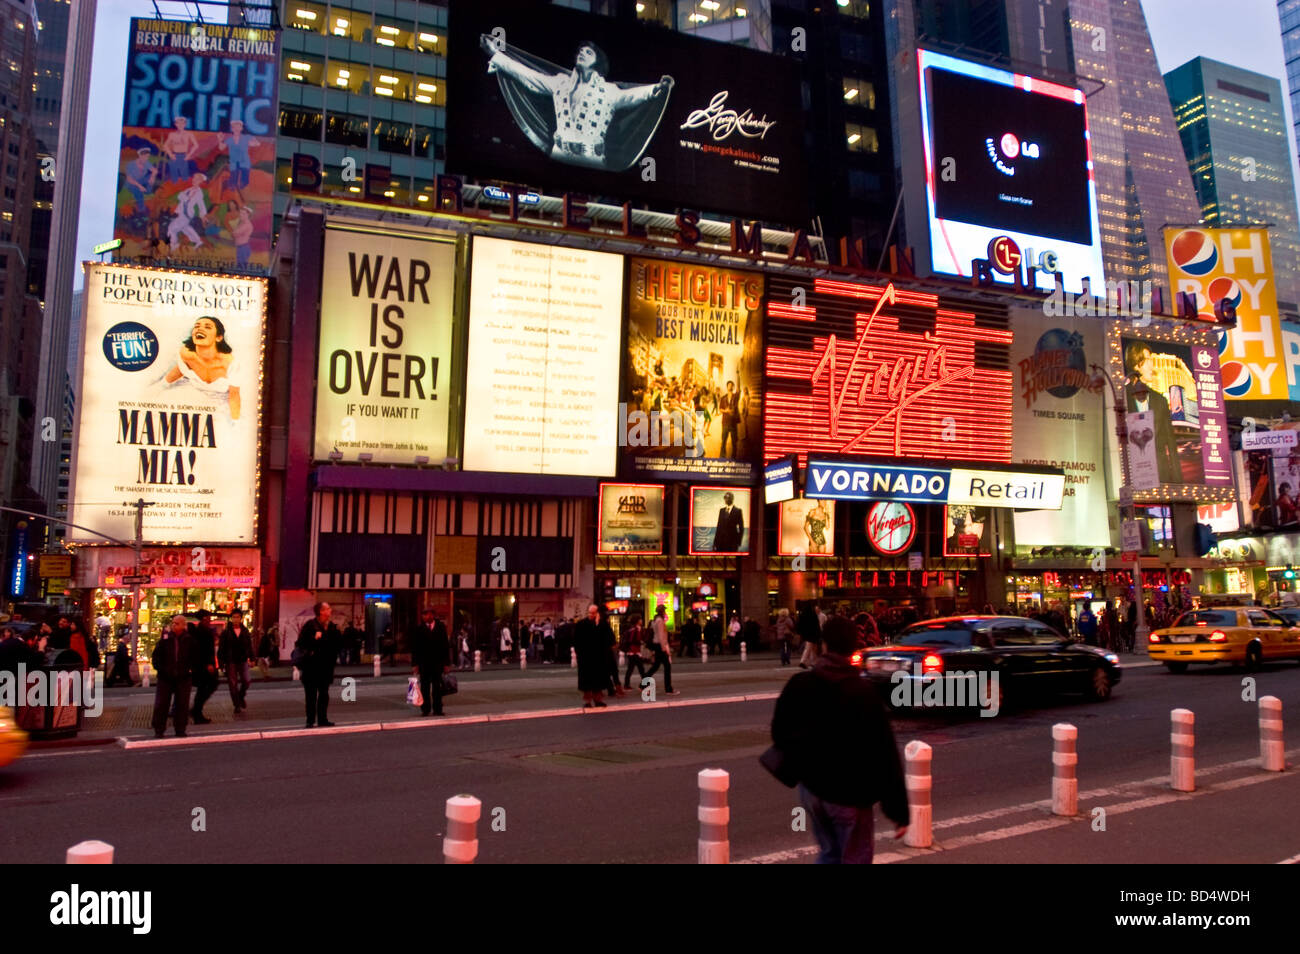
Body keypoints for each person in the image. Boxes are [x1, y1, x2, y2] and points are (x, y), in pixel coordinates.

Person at [769, 616, 909, 864]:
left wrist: (802, 763)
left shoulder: (800, 684)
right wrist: (897, 810)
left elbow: (779, 731)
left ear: (824, 645)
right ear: (853, 648)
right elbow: (885, 754)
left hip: (812, 790)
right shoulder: (863, 693)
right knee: (854, 856)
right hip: (849, 793)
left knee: (829, 852)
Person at [480, 35, 673, 171]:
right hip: (557, 155)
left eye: (588, 52)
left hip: (593, 161)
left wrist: (657, 88)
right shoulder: (560, 82)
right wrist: (495, 55)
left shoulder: (609, 91)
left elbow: (633, 96)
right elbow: (528, 75)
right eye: (581, 51)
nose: (582, 53)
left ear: (598, 61)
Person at [159, 315, 241, 422]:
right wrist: (160, 386)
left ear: (219, 337)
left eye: (207, 327)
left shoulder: (231, 363)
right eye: (197, 326)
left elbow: (234, 395)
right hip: (192, 402)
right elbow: (180, 369)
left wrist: (235, 422)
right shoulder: (186, 354)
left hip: (223, 408)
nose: (200, 328)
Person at [1125, 343, 1179, 484]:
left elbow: (1171, 443)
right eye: (1148, 360)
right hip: (1132, 475)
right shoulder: (1122, 398)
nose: (1152, 366)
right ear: (1136, 364)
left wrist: (1178, 482)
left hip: (1161, 474)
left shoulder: (1160, 400)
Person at [295, 602, 340, 728]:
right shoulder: (310, 625)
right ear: (321, 611)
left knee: (324, 694)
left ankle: (322, 719)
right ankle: (310, 720)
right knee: (311, 695)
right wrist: (314, 638)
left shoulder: (331, 626)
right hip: (311, 667)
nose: (330, 611)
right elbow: (301, 643)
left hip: (326, 667)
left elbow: (336, 644)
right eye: (328, 609)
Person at [151, 616, 194, 739]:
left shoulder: (189, 640)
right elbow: (156, 656)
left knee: (182, 704)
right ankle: (159, 729)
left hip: (183, 677)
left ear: (183, 625)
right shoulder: (165, 639)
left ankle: (180, 728)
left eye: (177, 623)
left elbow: (194, 656)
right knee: (162, 704)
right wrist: (161, 669)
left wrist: (189, 670)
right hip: (166, 677)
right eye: (173, 623)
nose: (174, 626)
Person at [410, 607, 450, 717]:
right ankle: (425, 709)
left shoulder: (441, 627)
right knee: (425, 687)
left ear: (433, 615)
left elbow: (445, 646)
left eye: (428, 614)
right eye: (424, 615)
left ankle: (438, 709)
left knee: (437, 687)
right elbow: (415, 648)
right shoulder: (419, 628)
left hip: (437, 662)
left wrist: (447, 663)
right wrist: (415, 664)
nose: (426, 617)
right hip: (424, 663)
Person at [573, 604, 610, 708]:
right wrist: (579, 654)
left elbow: (608, 638)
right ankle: (588, 700)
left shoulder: (602, 624)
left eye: (593, 613)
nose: (591, 615)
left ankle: (598, 699)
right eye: (590, 613)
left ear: (597, 613)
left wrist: (598, 624)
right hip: (585, 657)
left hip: (598, 656)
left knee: (598, 679)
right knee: (587, 680)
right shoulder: (581, 624)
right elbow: (576, 641)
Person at [218, 610, 254, 713]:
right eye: (234, 617)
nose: (236, 619)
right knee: (233, 684)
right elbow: (222, 648)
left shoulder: (245, 631)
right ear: (231, 618)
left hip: (242, 660)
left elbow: (249, 645)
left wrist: (252, 658)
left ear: (241, 618)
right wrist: (221, 663)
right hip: (231, 660)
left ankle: (240, 696)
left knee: (246, 680)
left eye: (237, 617)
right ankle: (237, 704)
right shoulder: (226, 632)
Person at [188, 610, 219, 724]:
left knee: (205, 687)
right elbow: (203, 650)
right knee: (206, 687)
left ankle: (196, 711)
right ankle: (196, 711)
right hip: (203, 666)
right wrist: (208, 664)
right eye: (208, 618)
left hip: (203, 665)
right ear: (204, 619)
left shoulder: (203, 630)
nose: (210, 620)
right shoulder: (202, 632)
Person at [642, 605, 676, 694]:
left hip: (657, 645)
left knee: (655, 666)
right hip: (660, 646)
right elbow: (661, 636)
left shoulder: (655, 620)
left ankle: (642, 684)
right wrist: (664, 648)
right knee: (667, 667)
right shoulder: (660, 621)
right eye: (664, 610)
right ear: (661, 611)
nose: (665, 612)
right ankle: (668, 688)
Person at [621, 615, 648, 689]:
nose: (641, 621)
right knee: (641, 669)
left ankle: (627, 685)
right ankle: (644, 685)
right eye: (640, 619)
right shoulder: (634, 630)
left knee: (631, 669)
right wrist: (640, 642)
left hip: (634, 652)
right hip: (634, 652)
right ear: (637, 621)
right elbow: (631, 641)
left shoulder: (638, 629)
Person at [718, 381, 740, 458]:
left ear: (733, 387)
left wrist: (738, 375)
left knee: (734, 442)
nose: (730, 386)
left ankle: (733, 457)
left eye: (731, 385)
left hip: (733, 423)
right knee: (723, 441)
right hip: (725, 423)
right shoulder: (723, 398)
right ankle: (722, 457)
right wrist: (726, 411)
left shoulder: (736, 396)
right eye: (729, 385)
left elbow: (738, 390)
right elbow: (720, 409)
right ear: (727, 387)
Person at [797, 602, 822, 668]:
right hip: (813, 634)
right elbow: (816, 625)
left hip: (806, 634)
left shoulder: (802, 615)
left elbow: (799, 625)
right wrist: (819, 633)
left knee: (811, 648)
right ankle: (803, 661)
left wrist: (800, 633)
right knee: (810, 648)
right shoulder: (813, 615)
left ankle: (813, 662)